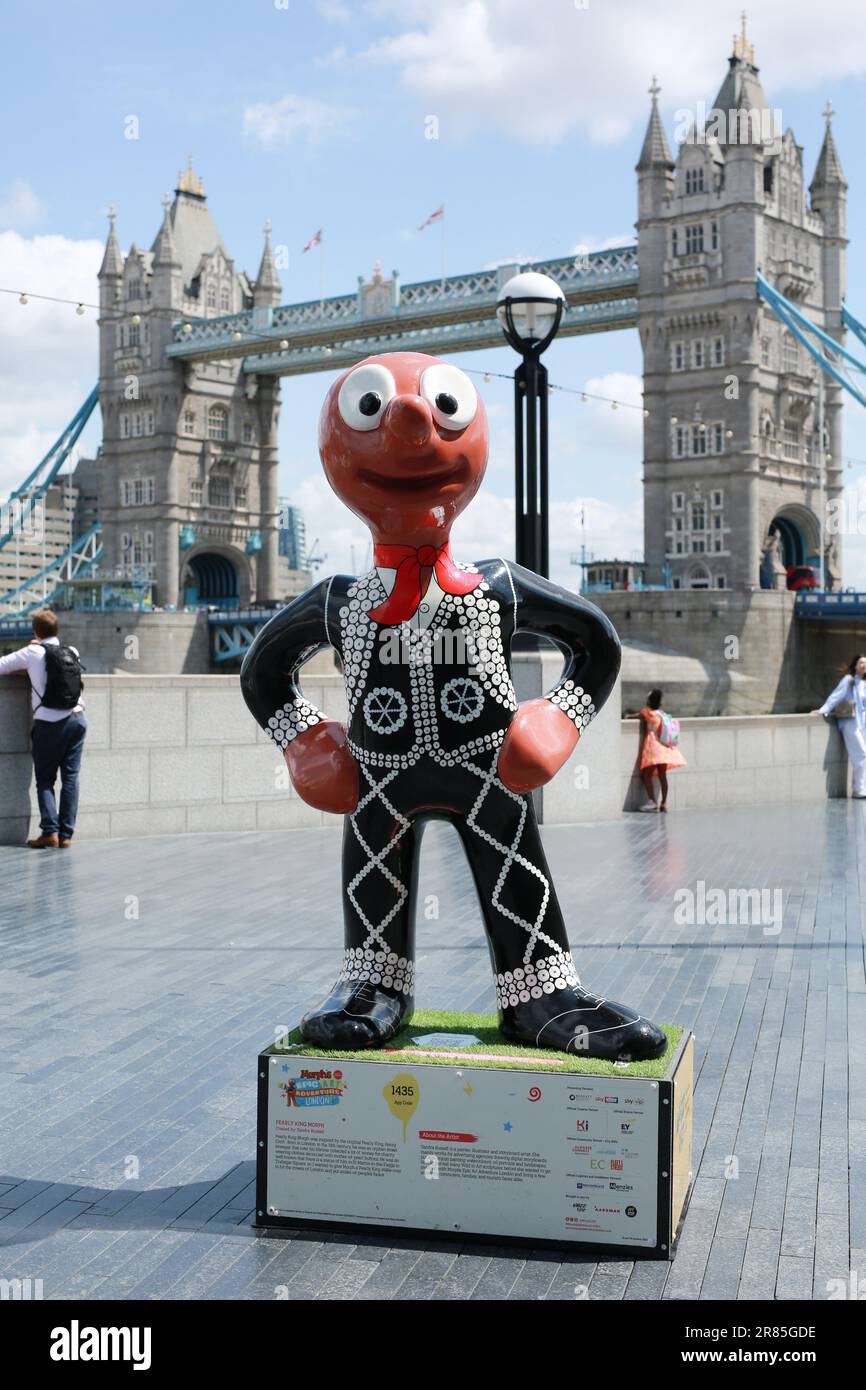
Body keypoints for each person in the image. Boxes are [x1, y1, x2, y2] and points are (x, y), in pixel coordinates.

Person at [0, 608, 87, 847]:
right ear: (57, 630)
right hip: (77, 719)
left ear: (35, 631)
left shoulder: (32, 652)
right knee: (71, 778)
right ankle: (66, 835)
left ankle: (50, 831)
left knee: (46, 779)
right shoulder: (72, 651)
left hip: (50, 723)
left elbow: (1, 666)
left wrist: (26, 666)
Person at [812, 654, 866, 798]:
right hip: (850, 721)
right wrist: (823, 709)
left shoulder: (864, 683)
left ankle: (859, 788)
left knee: (861, 756)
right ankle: (859, 789)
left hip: (863, 722)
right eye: (861, 662)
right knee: (861, 753)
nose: (864, 665)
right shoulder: (849, 681)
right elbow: (836, 696)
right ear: (855, 665)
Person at [628, 688, 687, 812]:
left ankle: (652, 802)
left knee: (646, 775)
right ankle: (664, 802)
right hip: (664, 748)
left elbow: (634, 716)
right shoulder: (662, 714)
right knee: (662, 775)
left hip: (653, 748)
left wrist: (627, 716)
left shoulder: (647, 712)